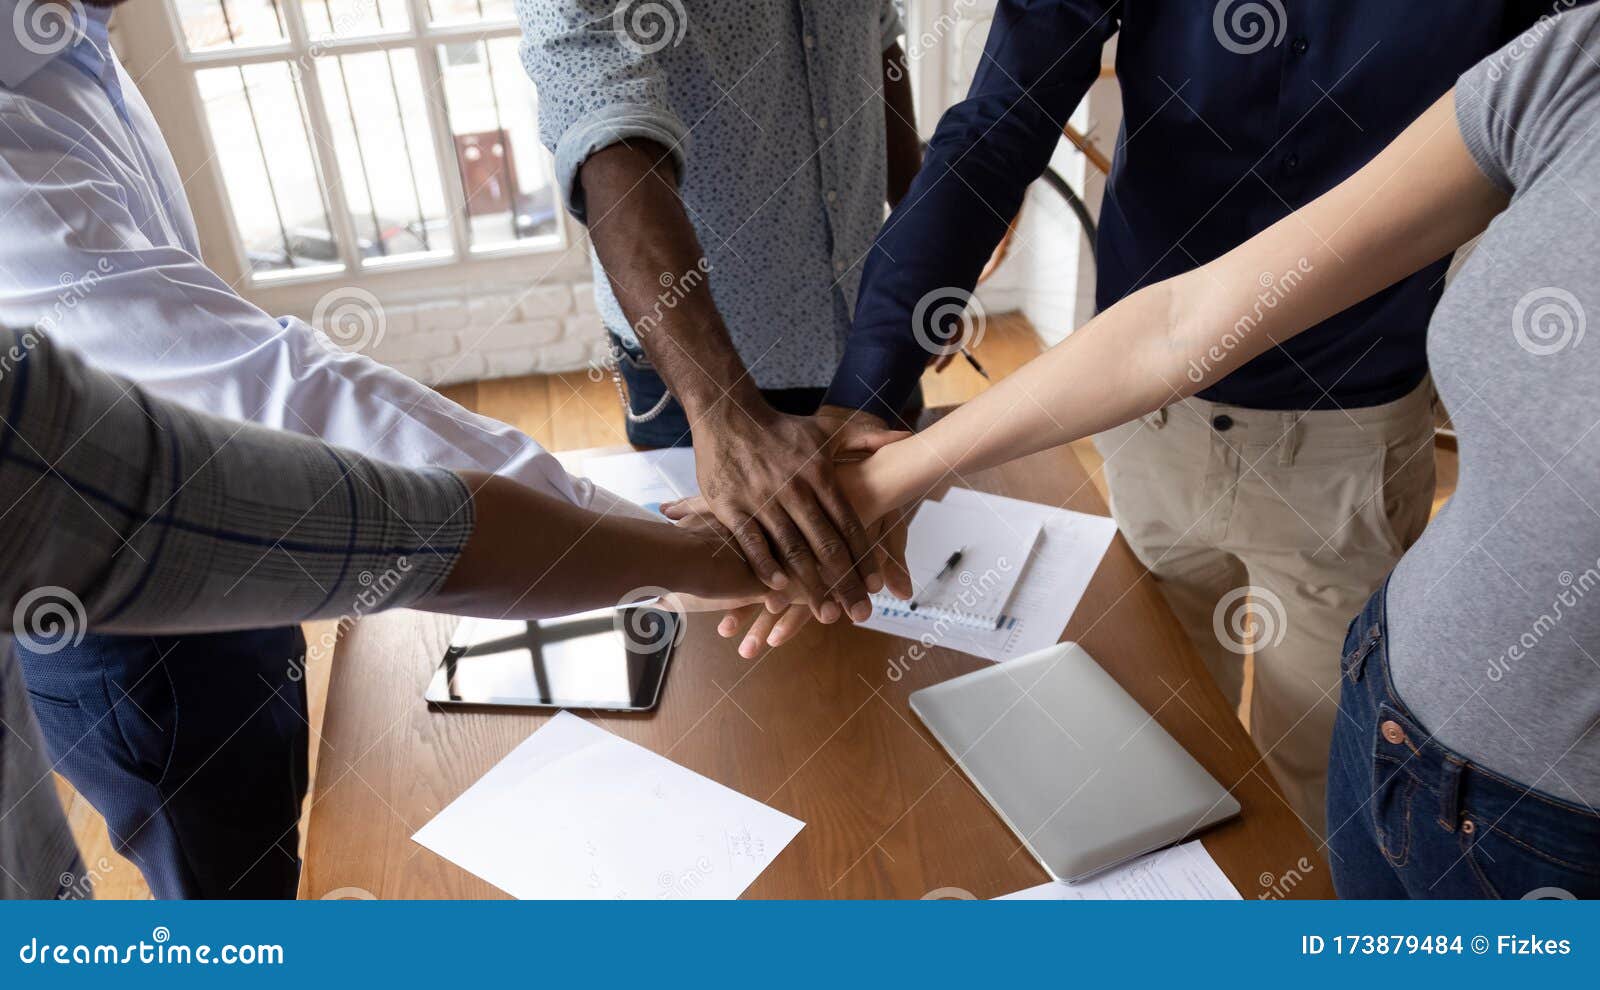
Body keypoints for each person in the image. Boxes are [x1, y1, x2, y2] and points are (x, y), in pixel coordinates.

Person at [734, 1, 1600, 898]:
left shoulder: (1558, 45)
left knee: (1316, 801)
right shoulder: (1572, 66)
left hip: (1355, 443)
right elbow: (1004, 134)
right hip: (1144, 420)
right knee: (1148, 743)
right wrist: (865, 416)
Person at [0, 0, 694, 898]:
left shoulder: (71, 45)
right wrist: (648, 541)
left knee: (276, 820)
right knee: (224, 892)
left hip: (220, 549)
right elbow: (251, 378)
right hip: (127, 627)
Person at [0, 324, 762, 898]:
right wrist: (698, 556)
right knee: (213, 880)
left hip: (193, 612)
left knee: (270, 838)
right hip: (121, 619)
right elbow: (394, 527)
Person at [518, 0, 923, 625]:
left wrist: (927, 247)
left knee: (872, 605)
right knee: (716, 635)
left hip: (872, 316)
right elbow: (603, 126)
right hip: (707, 365)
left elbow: (879, 39)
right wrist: (726, 417)